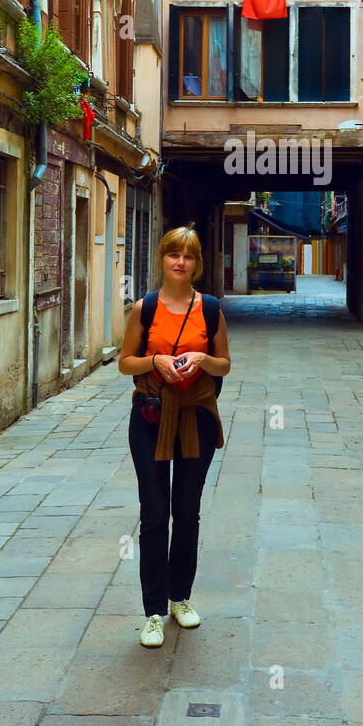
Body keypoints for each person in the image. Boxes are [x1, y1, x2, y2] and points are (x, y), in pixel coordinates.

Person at [118, 224, 231, 647]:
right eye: (173, 254)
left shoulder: (210, 309)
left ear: (196, 263)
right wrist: (156, 362)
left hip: (196, 418)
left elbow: (225, 364)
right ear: (162, 259)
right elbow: (124, 362)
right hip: (150, 419)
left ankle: (180, 597)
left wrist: (202, 358)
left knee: (186, 512)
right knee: (153, 513)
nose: (180, 262)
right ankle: (153, 612)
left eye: (188, 256)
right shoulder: (144, 309)